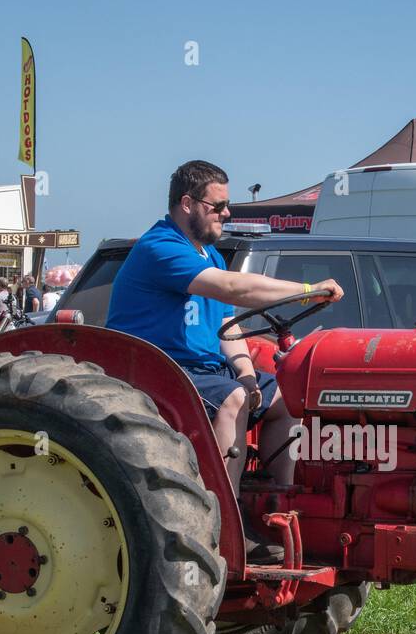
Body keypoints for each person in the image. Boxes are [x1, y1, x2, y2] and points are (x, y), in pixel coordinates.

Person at [106, 159, 343, 563]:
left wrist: (250, 375)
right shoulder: (161, 248)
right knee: (231, 398)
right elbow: (234, 289)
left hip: (205, 371)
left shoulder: (210, 254)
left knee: (290, 397)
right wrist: (307, 289)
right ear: (187, 204)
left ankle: (274, 507)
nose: (227, 213)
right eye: (218, 206)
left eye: (227, 205)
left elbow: (229, 326)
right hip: (160, 371)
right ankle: (227, 524)